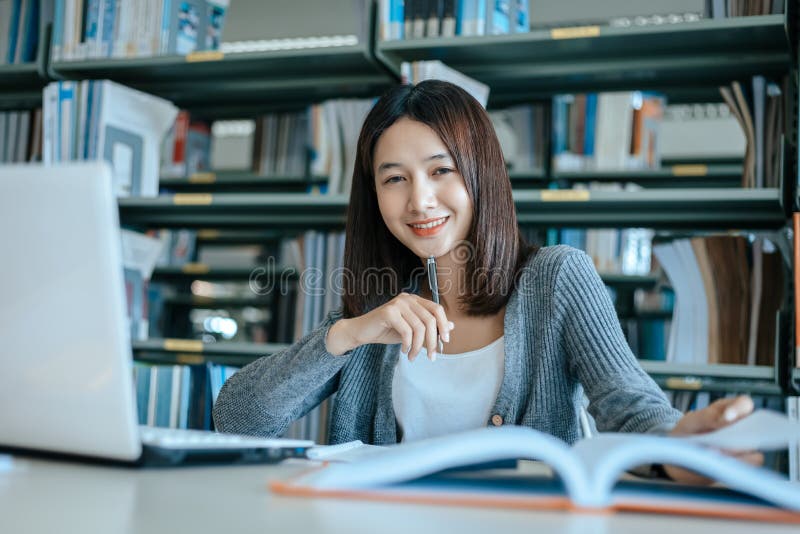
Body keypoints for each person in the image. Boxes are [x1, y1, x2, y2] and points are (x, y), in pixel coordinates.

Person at [213, 80, 761, 483]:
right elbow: (237, 418)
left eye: (441, 170)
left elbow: (630, 406)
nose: (419, 200)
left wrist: (681, 446)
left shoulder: (556, 278)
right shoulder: (377, 308)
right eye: (394, 179)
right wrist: (345, 335)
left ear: (480, 173)